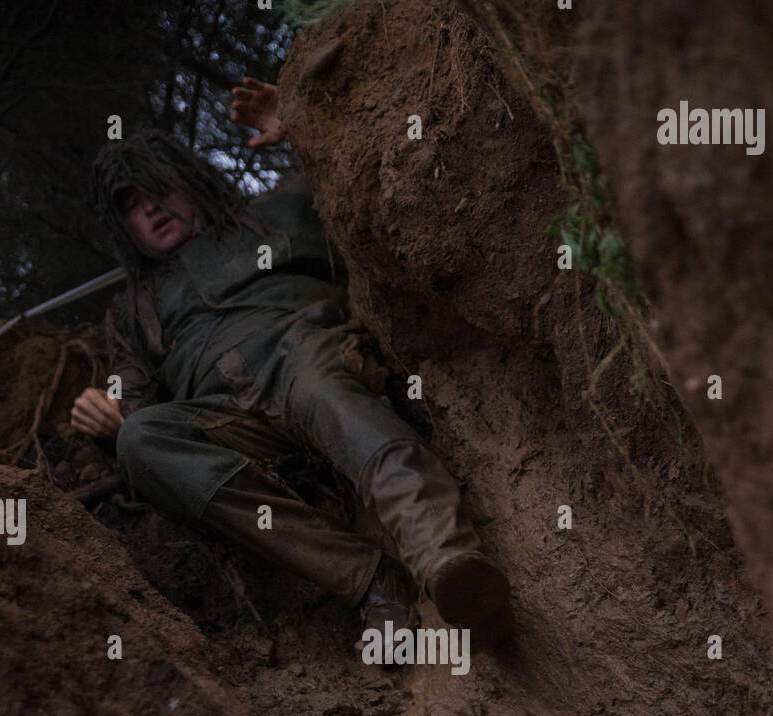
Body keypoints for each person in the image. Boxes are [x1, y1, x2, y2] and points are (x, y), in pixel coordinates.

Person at [71, 78, 512, 652]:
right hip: (227, 417)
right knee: (142, 439)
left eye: (156, 188)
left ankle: (447, 560)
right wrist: (107, 412)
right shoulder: (133, 308)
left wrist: (300, 129)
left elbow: (364, 178)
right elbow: (126, 393)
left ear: (190, 180)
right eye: (130, 203)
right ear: (123, 228)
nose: (149, 207)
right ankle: (371, 579)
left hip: (305, 351)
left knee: (327, 392)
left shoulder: (273, 212)